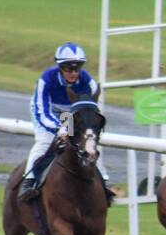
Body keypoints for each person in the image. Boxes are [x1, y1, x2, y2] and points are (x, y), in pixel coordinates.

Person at [19, 42, 113, 204]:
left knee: (89, 146)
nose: (73, 73)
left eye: (77, 68)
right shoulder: (46, 79)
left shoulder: (87, 82)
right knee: (44, 143)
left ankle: (104, 182)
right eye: (68, 68)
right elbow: (41, 110)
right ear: (60, 67)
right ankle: (29, 181)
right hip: (47, 113)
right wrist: (59, 128)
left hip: (72, 114)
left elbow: (92, 111)